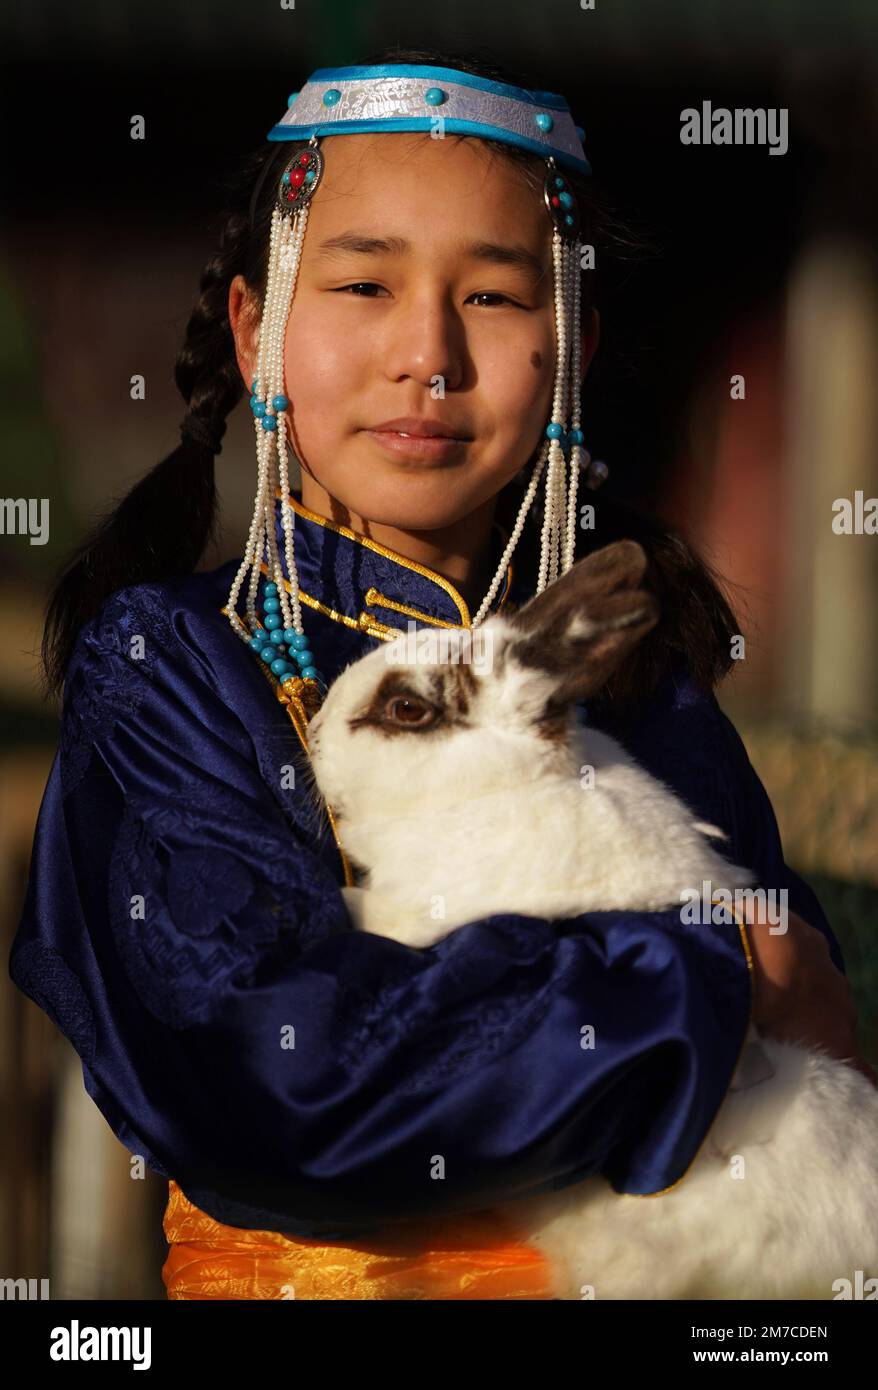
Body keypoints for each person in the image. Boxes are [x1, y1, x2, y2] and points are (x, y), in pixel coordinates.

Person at [9, 46, 871, 1301]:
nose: (428, 354)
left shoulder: (630, 685)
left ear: (566, 351)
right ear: (256, 331)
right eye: (362, 283)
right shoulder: (177, 670)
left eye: (493, 298)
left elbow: (813, 1009)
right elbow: (284, 1080)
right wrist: (704, 986)